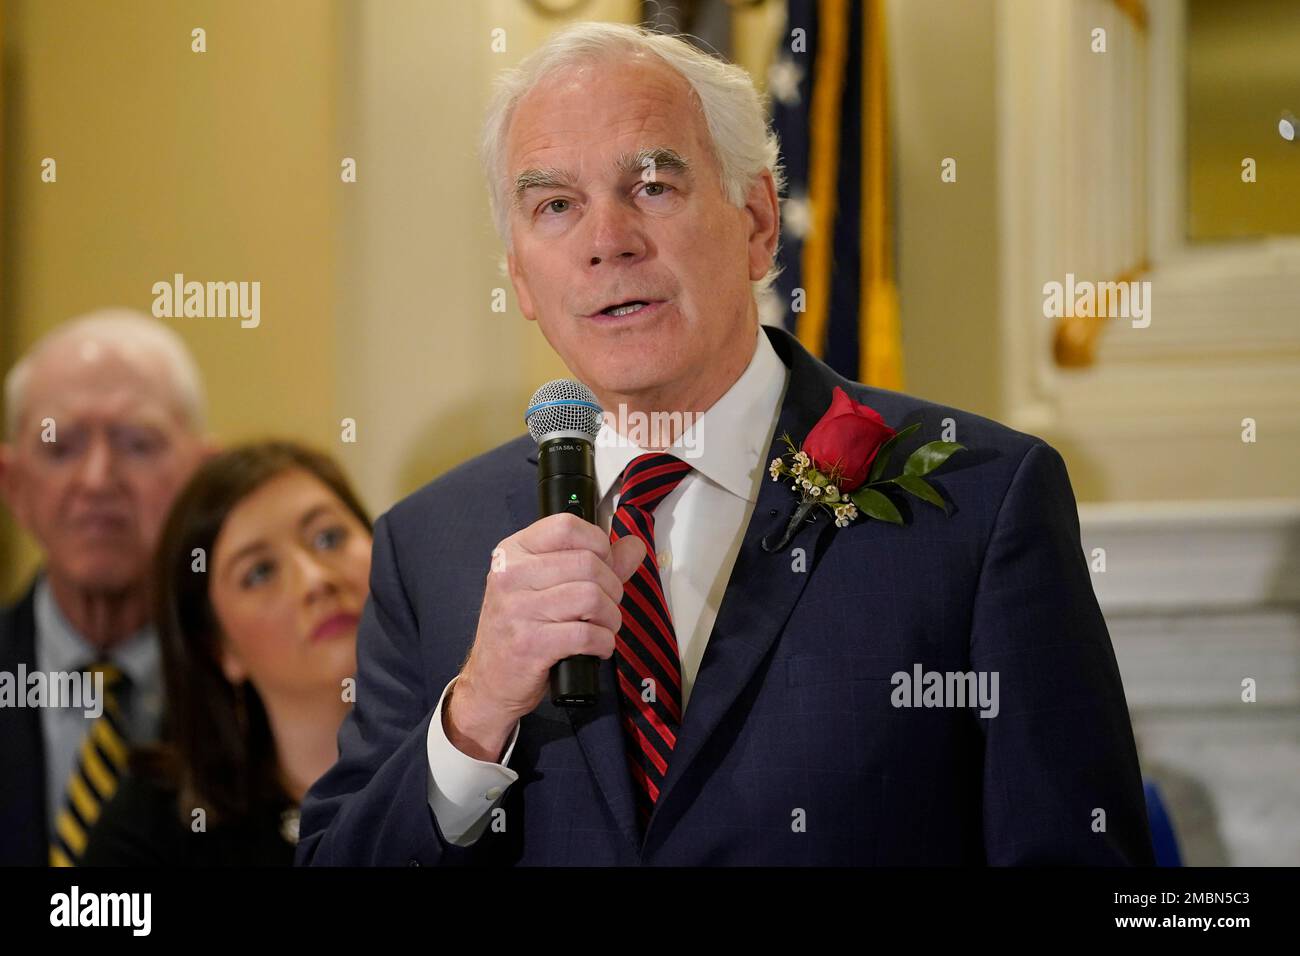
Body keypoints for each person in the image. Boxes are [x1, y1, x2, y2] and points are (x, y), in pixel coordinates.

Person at [298, 22, 1155, 865]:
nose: (607, 243)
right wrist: (477, 710)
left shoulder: (980, 501)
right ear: (521, 276)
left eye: (653, 187)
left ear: (755, 220)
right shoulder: (429, 545)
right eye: (555, 206)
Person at [80, 441, 372, 866]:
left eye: (328, 537)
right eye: (260, 572)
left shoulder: (477, 746)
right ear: (218, 648)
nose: (315, 580)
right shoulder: (154, 824)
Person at [0, 309, 212, 866]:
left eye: (137, 444)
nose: (97, 479)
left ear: (202, 476)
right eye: (60, 446)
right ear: (14, 485)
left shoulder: (256, 689)